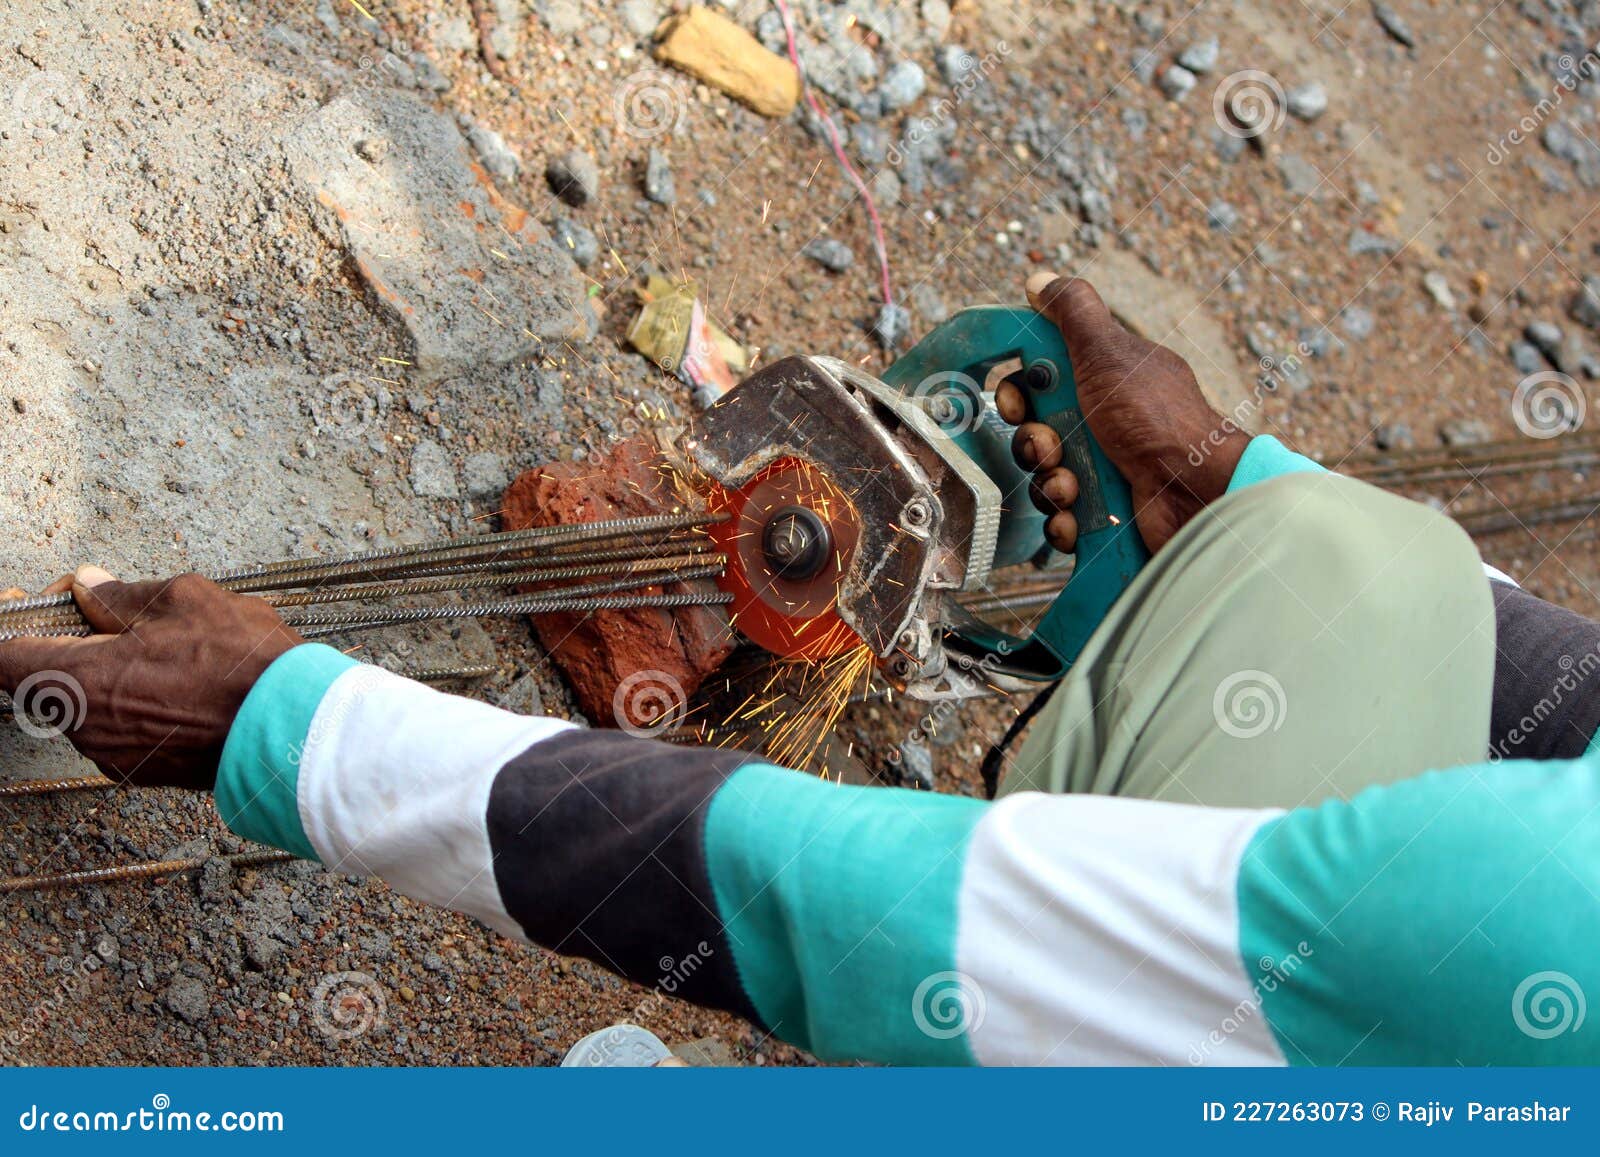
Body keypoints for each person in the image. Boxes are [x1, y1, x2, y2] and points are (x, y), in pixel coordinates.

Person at [2, 273, 1596, 1067]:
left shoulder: (1537, 908)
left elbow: (869, 906)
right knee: (1357, 554)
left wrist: (293, 726)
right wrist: (1230, 485)